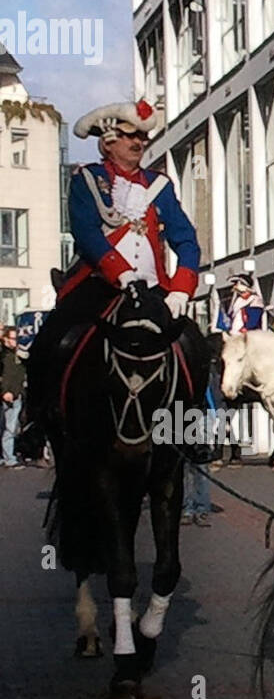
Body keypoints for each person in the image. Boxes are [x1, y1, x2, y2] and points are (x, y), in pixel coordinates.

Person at [23, 99, 201, 449]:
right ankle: (39, 419)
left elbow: (186, 240)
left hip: (152, 289)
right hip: (100, 284)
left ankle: (187, 430)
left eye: (142, 139)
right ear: (108, 142)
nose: (138, 144)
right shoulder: (88, 180)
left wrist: (181, 288)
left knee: (192, 342)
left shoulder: (159, 186)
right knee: (55, 336)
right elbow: (87, 233)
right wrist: (121, 275)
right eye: (128, 137)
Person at [2, 326, 24, 468]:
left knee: (12, 426)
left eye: (17, 338)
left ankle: (8, 455)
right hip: (9, 396)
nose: (15, 341)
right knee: (9, 428)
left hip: (17, 394)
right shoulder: (4, 356)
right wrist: (4, 391)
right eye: (12, 338)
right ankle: (9, 458)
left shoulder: (17, 355)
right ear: (5, 339)